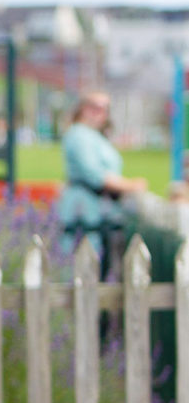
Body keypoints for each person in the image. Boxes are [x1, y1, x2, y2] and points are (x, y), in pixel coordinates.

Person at [57, 91, 149, 281]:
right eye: (96, 107)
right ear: (84, 108)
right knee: (85, 268)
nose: (102, 113)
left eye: (105, 109)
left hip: (103, 210)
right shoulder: (79, 134)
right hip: (87, 208)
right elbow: (95, 175)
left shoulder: (93, 135)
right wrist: (131, 185)